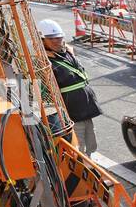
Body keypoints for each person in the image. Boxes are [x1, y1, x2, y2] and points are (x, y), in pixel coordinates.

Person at [39, 19, 102, 156]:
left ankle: (89, 160)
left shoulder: (67, 53)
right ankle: (82, 166)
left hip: (85, 106)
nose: (56, 41)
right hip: (71, 110)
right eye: (51, 39)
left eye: (59, 37)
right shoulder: (44, 62)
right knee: (78, 143)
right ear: (42, 41)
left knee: (91, 140)